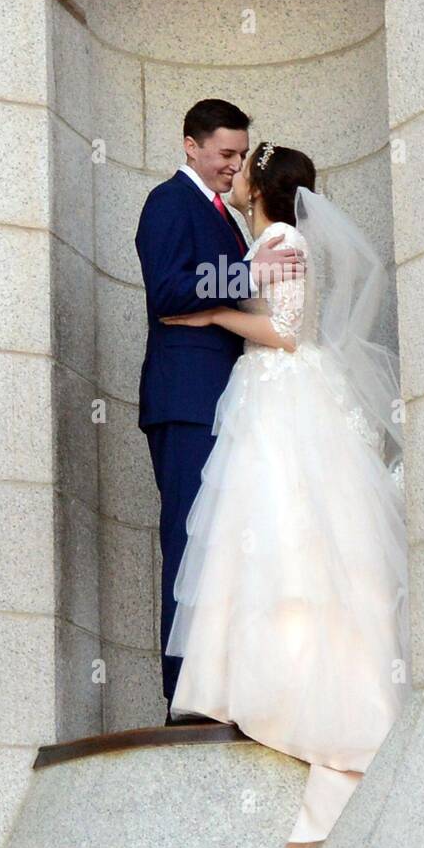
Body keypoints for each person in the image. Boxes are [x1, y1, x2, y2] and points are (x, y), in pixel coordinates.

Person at [159, 141, 411, 848]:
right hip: (276, 395)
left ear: (262, 185)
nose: (230, 179)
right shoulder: (275, 238)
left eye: (240, 172)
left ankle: (289, 691)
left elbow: (288, 331)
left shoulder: (278, 238)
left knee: (279, 536)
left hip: (279, 394)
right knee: (281, 541)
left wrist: (212, 319)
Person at [134, 101, 306, 722]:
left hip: (228, 402)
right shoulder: (168, 203)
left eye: (240, 156)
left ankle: (223, 683)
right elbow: (169, 289)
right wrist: (248, 272)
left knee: (223, 540)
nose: (234, 167)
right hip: (184, 400)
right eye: (225, 154)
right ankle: (183, 696)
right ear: (190, 145)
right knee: (186, 537)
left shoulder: (225, 219)